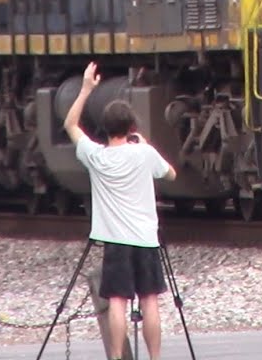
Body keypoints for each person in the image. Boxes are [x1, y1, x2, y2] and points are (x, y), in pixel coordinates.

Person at [64, 61, 178, 360]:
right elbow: (171, 175)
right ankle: (155, 358)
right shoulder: (144, 153)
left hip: (114, 241)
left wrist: (87, 89)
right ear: (131, 128)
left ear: (105, 129)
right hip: (146, 239)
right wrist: (146, 145)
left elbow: (71, 125)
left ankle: (115, 358)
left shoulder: (95, 156)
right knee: (150, 300)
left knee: (117, 301)